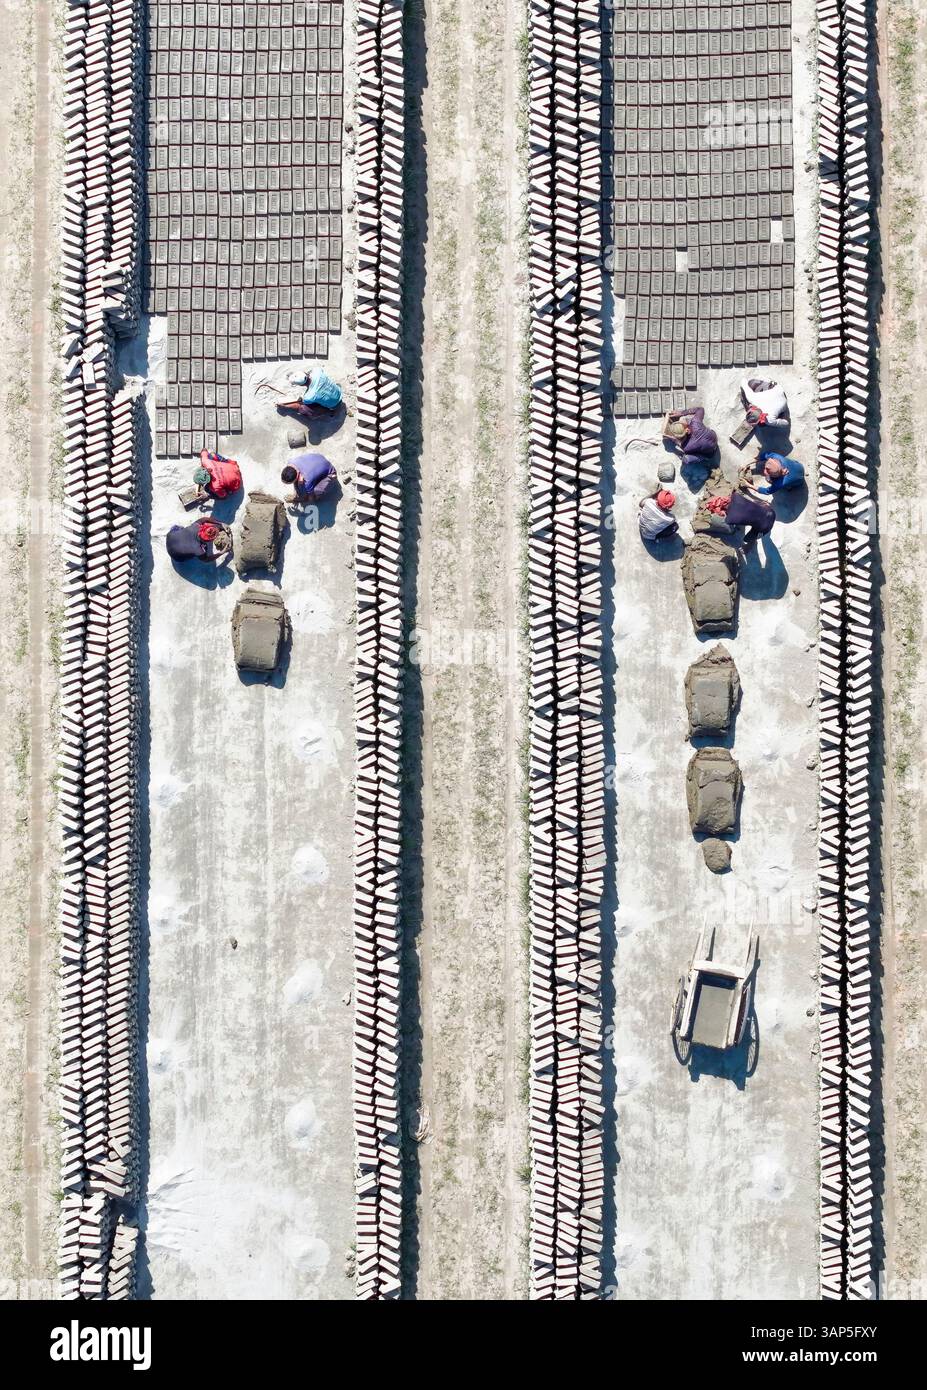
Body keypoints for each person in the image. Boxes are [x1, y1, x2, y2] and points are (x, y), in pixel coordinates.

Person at [166, 517, 232, 564]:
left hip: (170, 536)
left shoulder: (196, 526)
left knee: (177, 528)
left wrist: (221, 523)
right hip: (176, 557)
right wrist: (222, 552)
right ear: (208, 540)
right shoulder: (199, 549)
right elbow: (206, 559)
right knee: (197, 553)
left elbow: (203, 519)